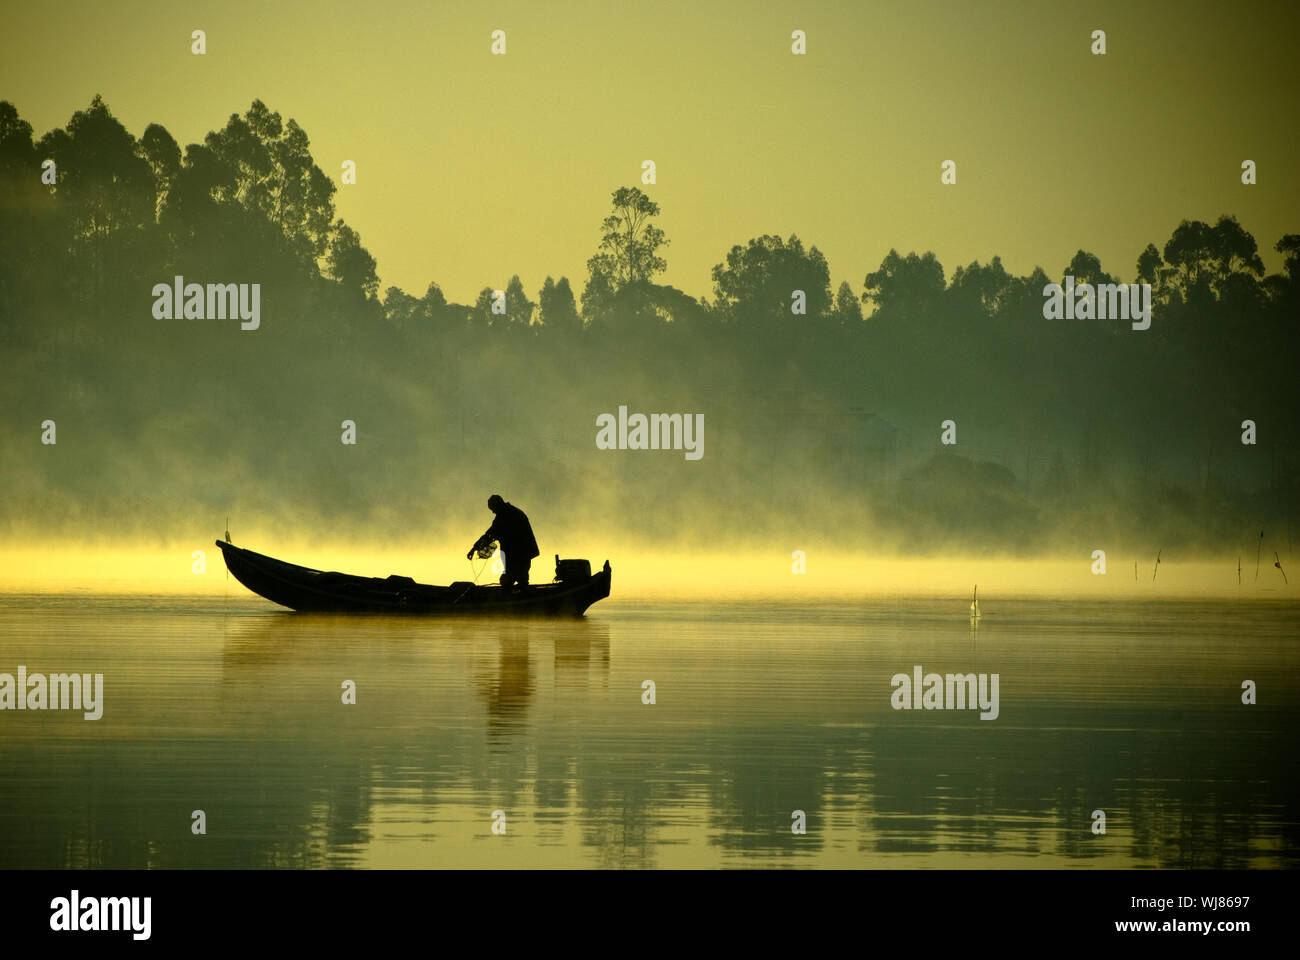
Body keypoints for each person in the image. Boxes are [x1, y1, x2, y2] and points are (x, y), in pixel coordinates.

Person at [468, 495, 539, 592]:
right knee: (522, 578)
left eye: (493, 509)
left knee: (507, 581)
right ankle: (524, 598)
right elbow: (492, 534)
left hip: (517, 553)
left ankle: (512, 600)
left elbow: (490, 534)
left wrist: (474, 548)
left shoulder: (505, 515)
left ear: (497, 505)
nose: (493, 512)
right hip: (524, 553)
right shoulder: (512, 512)